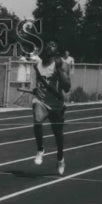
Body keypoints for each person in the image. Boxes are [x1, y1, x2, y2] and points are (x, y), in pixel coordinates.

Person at [29, 40, 72, 174]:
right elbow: (39, 80)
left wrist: (60, 73)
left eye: (51, 53)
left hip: (56, 104)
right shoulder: (37, 64)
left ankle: (60, 157)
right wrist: (36, 89)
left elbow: (67, 88)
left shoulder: (61, 65)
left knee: (58, 135)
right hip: (41, 101)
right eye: (46, 52)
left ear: (55, 55)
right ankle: (40, 149)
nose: (48, 56)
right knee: (37, 121)